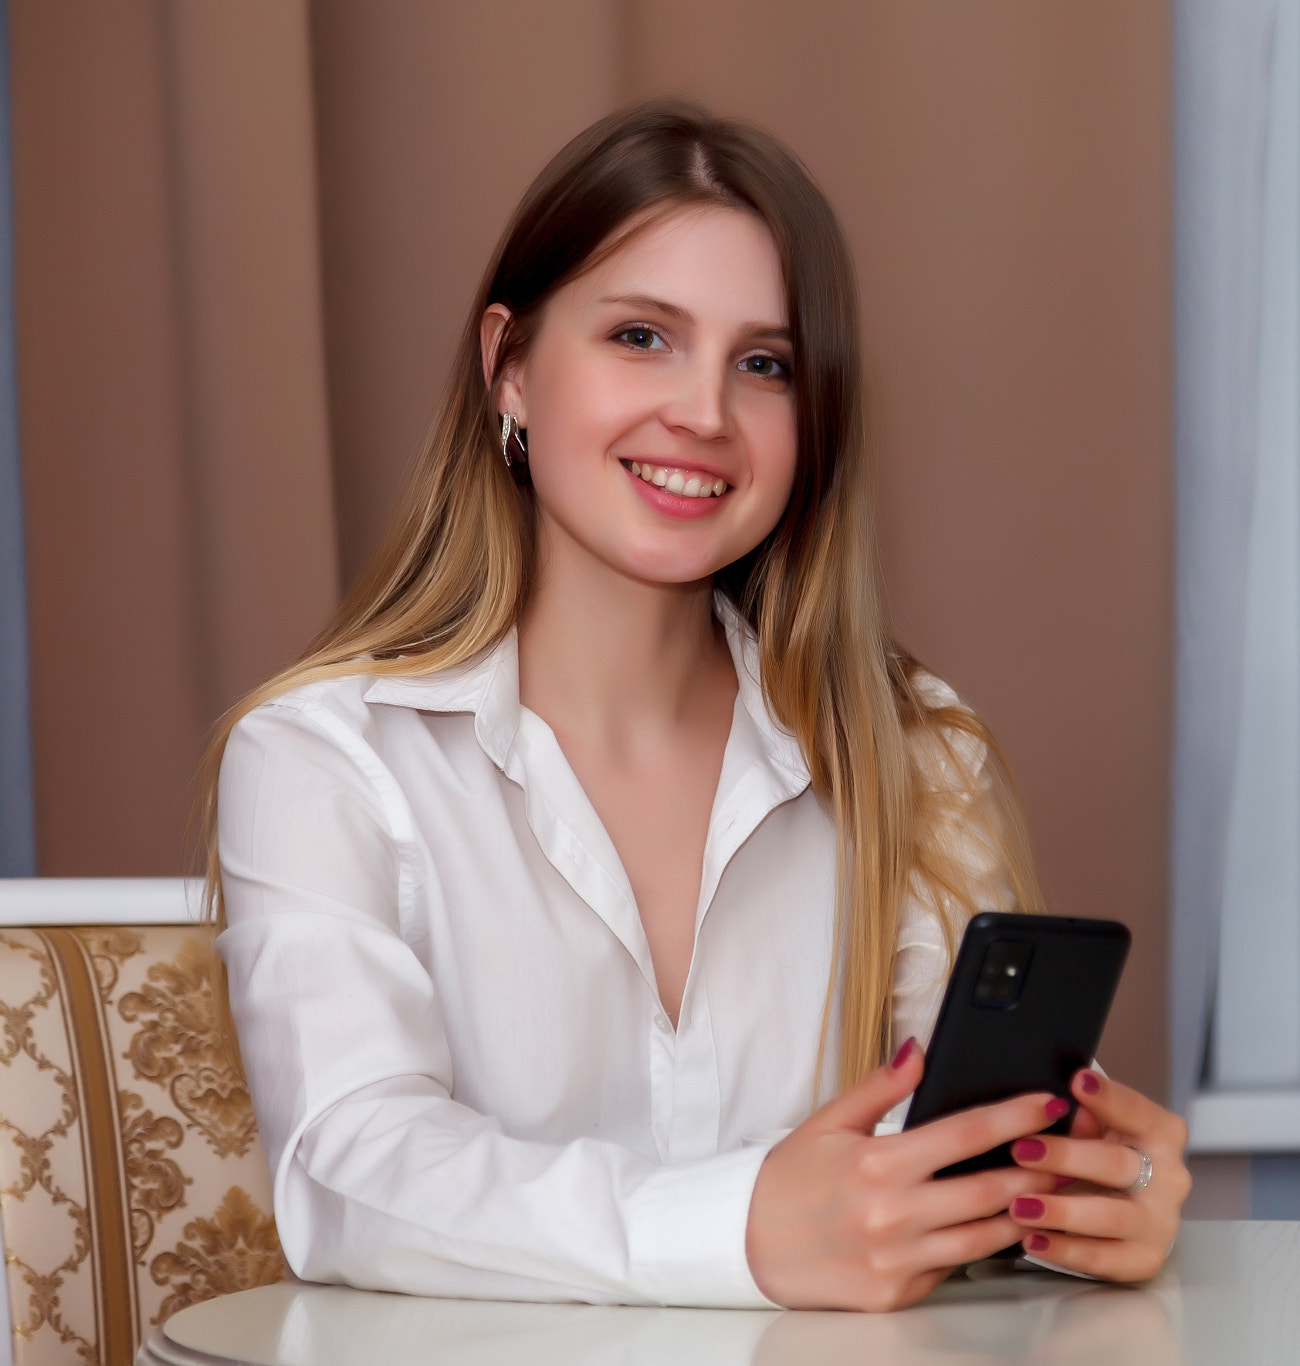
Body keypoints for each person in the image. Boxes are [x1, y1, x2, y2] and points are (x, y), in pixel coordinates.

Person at [200, 100, 1189, 1312]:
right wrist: (739, 1226)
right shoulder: (323, 761)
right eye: (641, 336)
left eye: (763, 364)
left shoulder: (914, 752)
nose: (705, 414)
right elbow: (354, 1172)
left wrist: (1079, 1199)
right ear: (509, 366)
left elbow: (954, 1167)